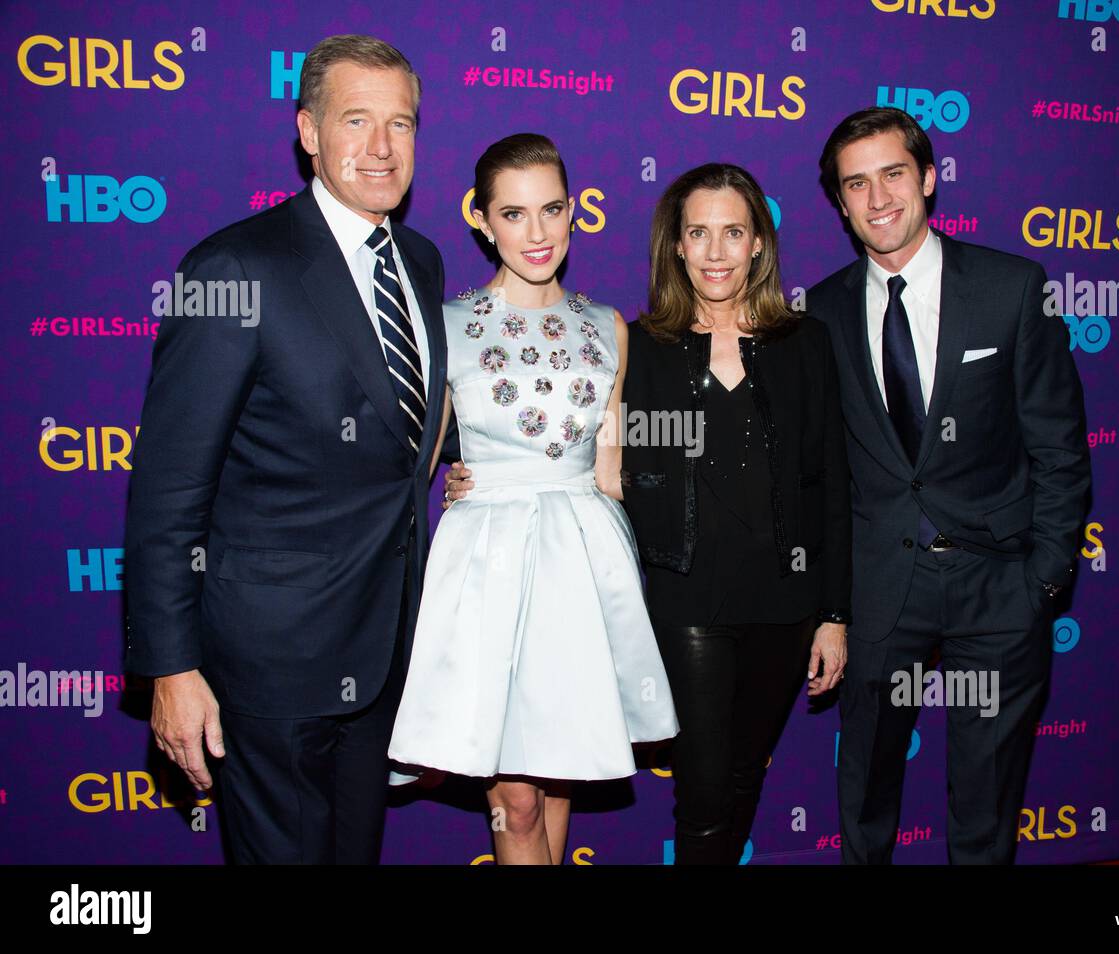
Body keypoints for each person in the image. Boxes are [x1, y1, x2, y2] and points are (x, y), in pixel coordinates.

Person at [447, 163, 852, 865]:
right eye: (699, 232)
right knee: (700, 786)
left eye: (733, 232)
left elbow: (832, 487)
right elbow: (591, 456)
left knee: (744, 775)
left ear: (760, 243)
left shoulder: (805, 345)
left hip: (784, 604)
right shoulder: (643, 347)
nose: (717, 251)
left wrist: (835, 615)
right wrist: (484, 479)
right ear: (676, 245)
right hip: (684, 597)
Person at [123, 35, 446, 864]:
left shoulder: (421, 259)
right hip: (272, 660)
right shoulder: (235, 266)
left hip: (384, 649)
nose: (381, 148)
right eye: (356, 120)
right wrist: (170, 668)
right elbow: (168, 489)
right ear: (308, 131)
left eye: (400, 124)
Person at [808, 107, 1091, 864]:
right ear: (839, 202)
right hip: (877, 588)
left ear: (929, 179)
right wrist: (829, 602)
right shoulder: (821, 312)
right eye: (856, 184)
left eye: (893, 174)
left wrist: (1044, 581)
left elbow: (1060, 449)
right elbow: (820, 472)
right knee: (864, 791)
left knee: (987, 798)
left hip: (999, 586)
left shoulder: (1011, 288)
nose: (877, 199)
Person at [386, 133, 678, 866]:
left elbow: (610, 474)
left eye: (551, 209)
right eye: (514, 214)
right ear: (481, 220)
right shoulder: (446, 328)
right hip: (486, 568)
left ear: (574, 210)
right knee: (514, 802)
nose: (538, 233)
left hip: (581, 568)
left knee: (554, 780)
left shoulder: (608, 326)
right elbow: (416, 467)